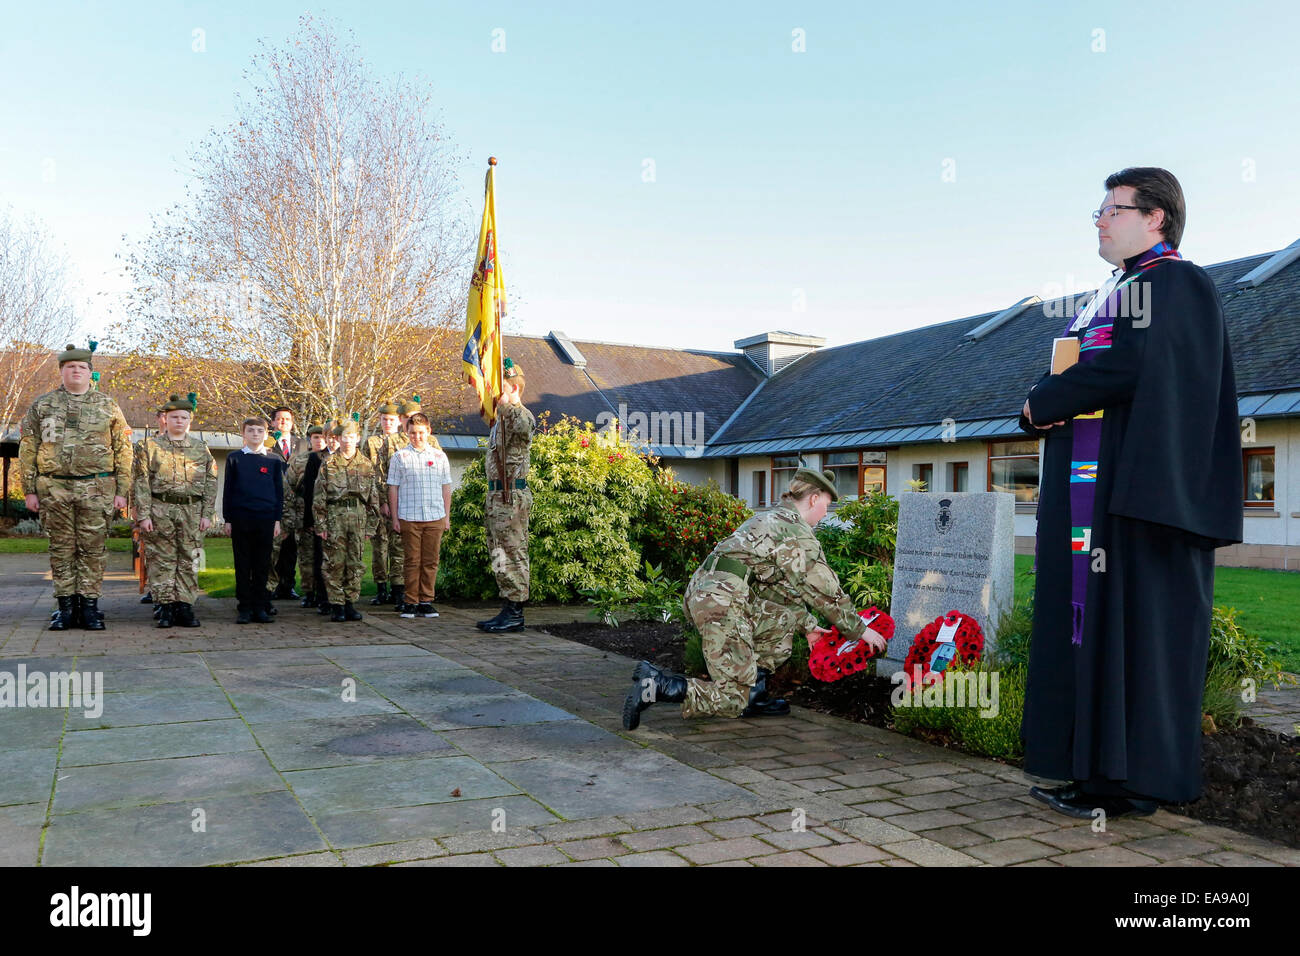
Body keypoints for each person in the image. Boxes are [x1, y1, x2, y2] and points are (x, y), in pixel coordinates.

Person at [1019, 167, 1243, 819]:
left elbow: (1126, 368)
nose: (1099, 220)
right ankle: (1097, 777)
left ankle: (1131, 782)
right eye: (1099, 210)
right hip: (1098, 501)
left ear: (1157, 218)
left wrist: (1043, 402)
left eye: (1113, 209)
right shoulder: (1120, 290)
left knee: (1133, 638)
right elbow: (1081, 367)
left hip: (1138, 510)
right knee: (1096, 637)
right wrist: (1042, 400)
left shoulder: (1176, 283)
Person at [623, 468, 883, 730]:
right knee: (732, 699)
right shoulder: (795, 531)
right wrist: (860, 630)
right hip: (721, 602)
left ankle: (754, 696)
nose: (826, 513)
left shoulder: (773, 518)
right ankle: (656, 686)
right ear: (814, 499)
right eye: (827, 505)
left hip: (711, 594)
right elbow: (823, 587)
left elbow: (777, 588)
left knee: (782, 621)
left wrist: (806, 624)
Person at [19, 343, 132, 631]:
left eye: (82, 367)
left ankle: (90, 608)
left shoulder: (107, 405)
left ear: (90, 373)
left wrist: (122, 489)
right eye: (71, 367)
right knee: (61, 550)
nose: (76, 371)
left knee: (93, 550)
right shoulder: (43, 406)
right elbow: (29, 448)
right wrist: (29, 489)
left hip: (96, 488)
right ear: (62, 371)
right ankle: (66, 609)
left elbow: (123, 449)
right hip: (53, 488)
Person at [132, 394, 217, 630]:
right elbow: (141, 482)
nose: (179, 421)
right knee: (162, 560)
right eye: (174, 417)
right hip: (160, 509)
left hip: (192, 509)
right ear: (165, 419)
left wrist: (206, 514)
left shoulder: (201, 449)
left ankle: (185, 606)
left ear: (190, 421)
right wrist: (144, 515)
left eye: (184, 417)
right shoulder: (148, 447)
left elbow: (211, 482)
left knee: (190, 560)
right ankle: (166, 607)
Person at [477, 359, 534, 633]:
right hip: (497, 497)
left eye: (500, 388)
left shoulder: (520, 414)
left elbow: (523, 426)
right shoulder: (500, 421)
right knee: (499, 551)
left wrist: (507, 404)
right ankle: (507, 605)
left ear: (512, 387)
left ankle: (516, 610)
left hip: (512, 496)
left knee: (513, 551)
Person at [313, 420, 381, 622]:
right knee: (335, 562)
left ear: (358, 438)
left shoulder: (366, 464)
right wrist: (321, 524)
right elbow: (319, 496)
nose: (348, 441)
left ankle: (351, 602)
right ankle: (337, 604)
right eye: (344, 437)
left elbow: (373, 497)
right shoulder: (329, 464)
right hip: (336, 515)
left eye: (352, 437)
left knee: (355, 562)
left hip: (359, 516)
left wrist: (372, 525)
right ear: (338, 439)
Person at [387, 412, 452, 619]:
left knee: (431, 561)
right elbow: (393, 488)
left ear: (428, 431)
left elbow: (446, 488)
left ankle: (426, 601)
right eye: (413, 433)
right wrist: (396, 518)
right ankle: (410, 601)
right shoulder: (399, 457)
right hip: (409, 516)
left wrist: (446, 517)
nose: (417, 437)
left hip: (435, 515)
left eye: (421, 433)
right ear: (407, 433)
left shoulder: (440, 457)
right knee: (412, 560)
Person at [222, 418, 284, 624]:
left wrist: (277, 519)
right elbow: (228, 491)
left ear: (266, 434)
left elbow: (279, 492)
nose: (256, 434)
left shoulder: (274, 460)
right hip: (241, 518)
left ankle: (260, 606)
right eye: (251, 431)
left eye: (260, 431)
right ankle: (244, 607)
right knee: (243, 563)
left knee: (262, 564)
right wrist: (227, 519)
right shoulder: (235, 459)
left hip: (266, 518)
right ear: (244, 434)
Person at [366, 400, 408, 609]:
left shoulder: (404, 442)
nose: (388, 423)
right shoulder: (372, 442)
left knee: (398, 547)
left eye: (392, 419)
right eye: (384, 419)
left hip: (401, 501)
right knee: (379, 547)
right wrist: (381, 501)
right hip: (378, 502)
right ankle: (381, 588)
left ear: (399, 421)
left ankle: (398, 588)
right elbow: (370, 473)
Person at [285, 423, 328, 608]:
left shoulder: (332, 459)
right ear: (310, 439)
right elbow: (289, 488)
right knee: (306, 556)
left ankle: (325, 593)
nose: (319, 441)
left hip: (326, 517)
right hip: (304, 514)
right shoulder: (299, 460)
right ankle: (309, 592)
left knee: (326, 557)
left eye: (322, 437)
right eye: (315, 437)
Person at [266, 406, 300, 600]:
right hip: (275, 502)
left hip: (296, 503)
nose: (283, 422)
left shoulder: (302, 444)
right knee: (274, 547)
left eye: (287, 419)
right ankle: (272, 584)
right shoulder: (268, 444)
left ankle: (288, 585)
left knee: (291, 548)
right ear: (273, 423)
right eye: (279, 419)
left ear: (292, 422)